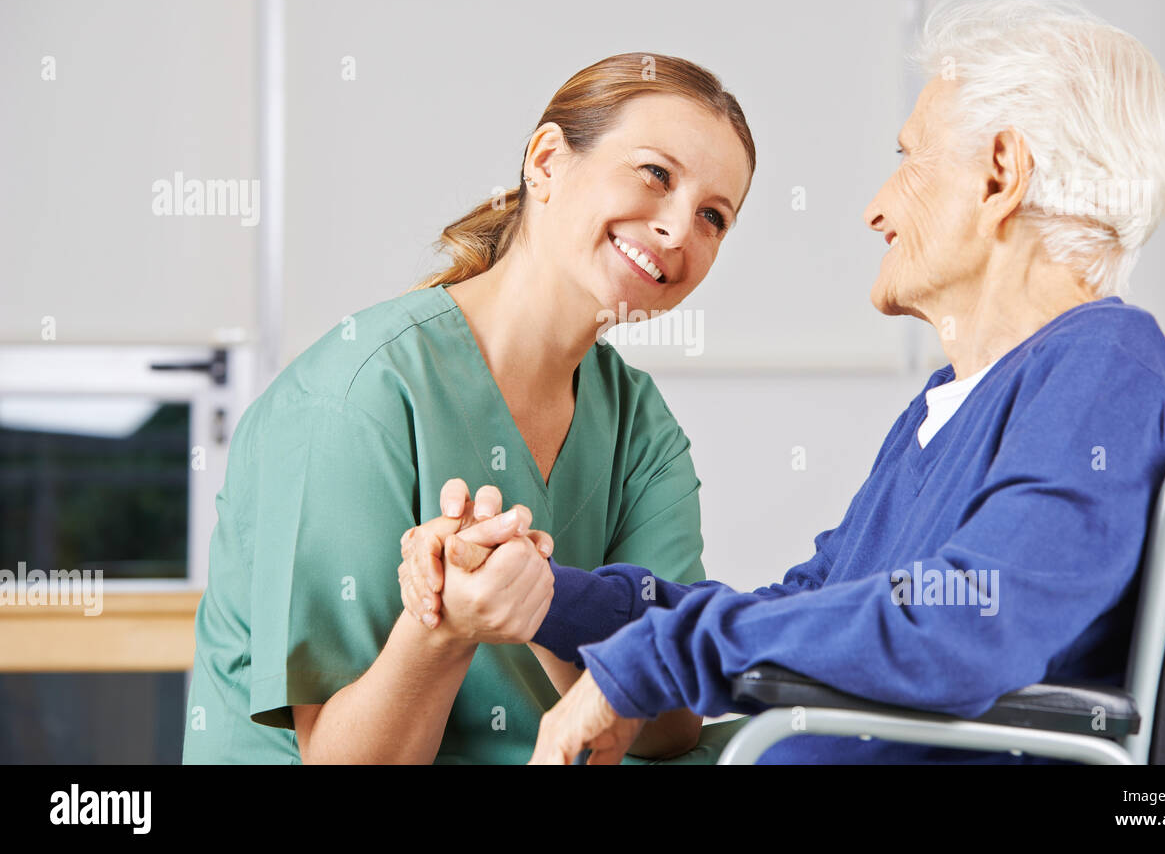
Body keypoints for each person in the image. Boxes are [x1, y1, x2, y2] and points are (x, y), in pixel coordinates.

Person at [404, 0, 1165, 764]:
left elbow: (971, 623)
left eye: (908, 158)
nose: (877, 210)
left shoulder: (1105, 369)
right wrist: (551, 596)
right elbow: (808, 605)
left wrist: (655, 661)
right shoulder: (953, 403)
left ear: (999, 175)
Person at [182, 52, 754, 764]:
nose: (677, 229)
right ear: (546, 162)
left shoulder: (638, 425)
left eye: (713, 217)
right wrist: (446, 625)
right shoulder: (355, 396)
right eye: (656, 174)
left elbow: (672, 725)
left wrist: (549, 604)